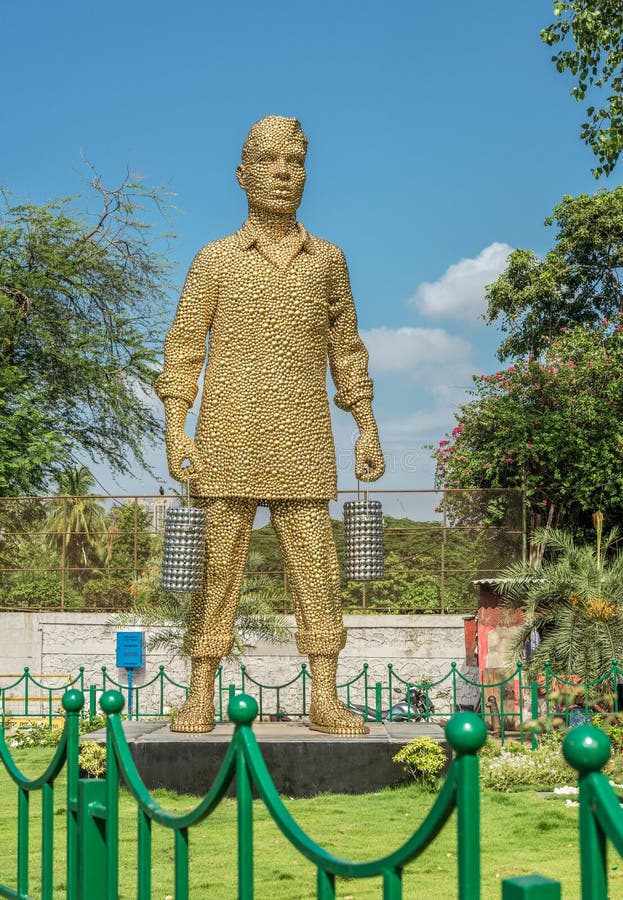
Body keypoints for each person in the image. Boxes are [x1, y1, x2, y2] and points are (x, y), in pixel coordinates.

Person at [156, 115, 384, 734]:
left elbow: (349, 349)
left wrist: (365, 422)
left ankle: (327, 696)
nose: (284, 173)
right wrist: (177, 426)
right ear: (243, 174)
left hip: (305, 435)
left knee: (317, 568)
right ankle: (200, 689)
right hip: (226, 433)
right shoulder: (216, 259)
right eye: (268, 161)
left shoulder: (328, 261)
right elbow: (183, 347)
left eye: (296, 162)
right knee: (216, 567)